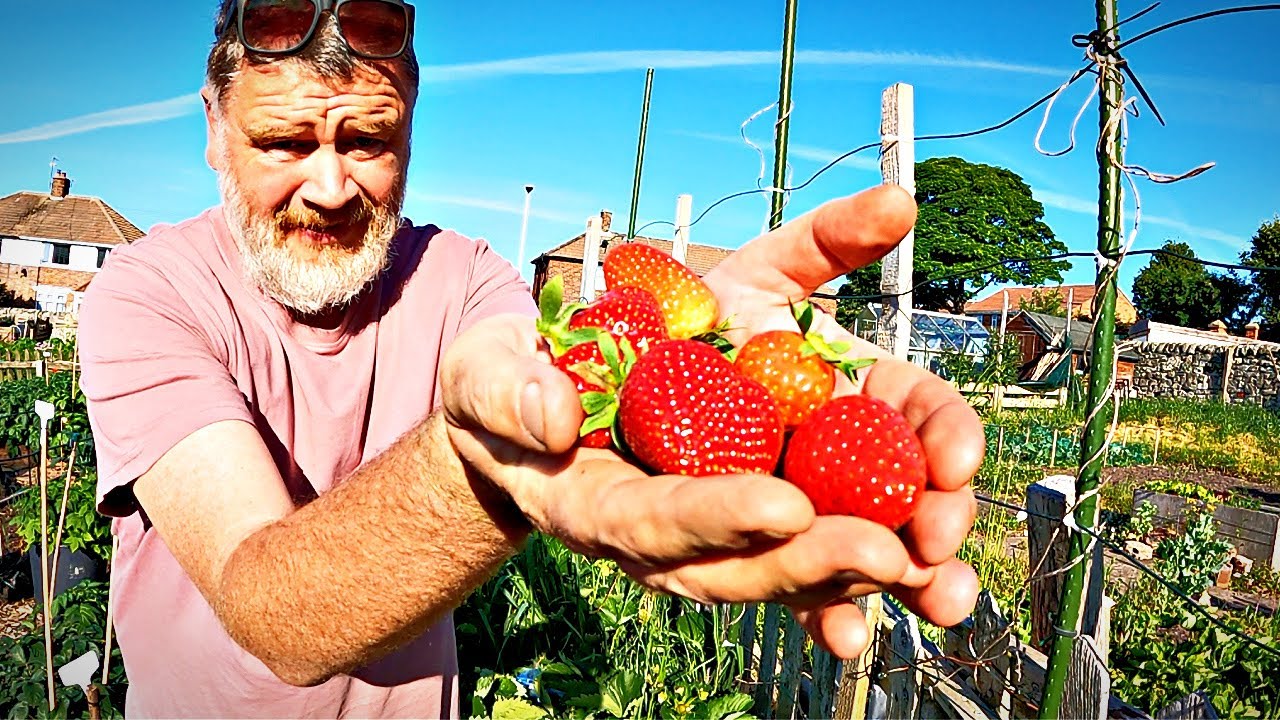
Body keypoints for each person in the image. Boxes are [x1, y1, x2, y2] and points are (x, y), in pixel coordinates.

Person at [78, 0, 984, 717]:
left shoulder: (466, 275)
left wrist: (701, 341)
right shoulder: (146, 295)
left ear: (411, 128)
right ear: (211, 126)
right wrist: (490, 459)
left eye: (368, 141)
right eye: (281, 143)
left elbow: (542, 372)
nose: (329, 185)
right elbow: (270, 611)